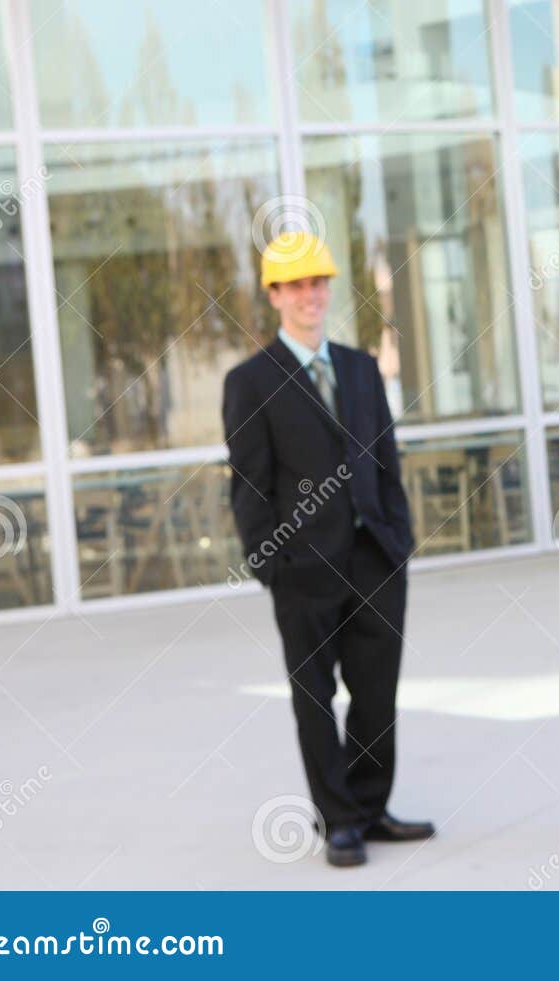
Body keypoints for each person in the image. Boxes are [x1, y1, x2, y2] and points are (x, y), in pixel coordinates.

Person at [223, 229, 435, 868]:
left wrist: (398, 539)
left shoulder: (362, 368)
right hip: (303, 568)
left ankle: (370, 809)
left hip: (374, 558)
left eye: (319, 282)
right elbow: (249, 486)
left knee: (376, 693)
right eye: (297, 285)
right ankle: (337, 820)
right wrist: (271, 565)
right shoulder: (251, 381)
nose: (310, 294)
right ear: (276, 294)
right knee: (315, 697)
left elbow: (387, 462)